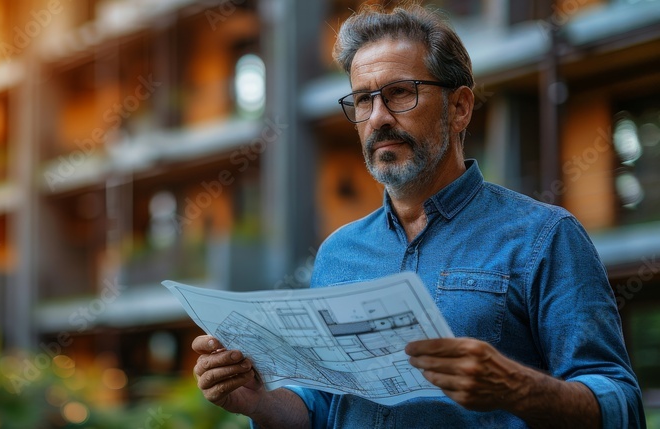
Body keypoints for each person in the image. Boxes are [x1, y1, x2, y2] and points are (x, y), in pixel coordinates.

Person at [191, 4, 646, 428]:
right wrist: (257, 401)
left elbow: (621, 404)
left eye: (400, 93)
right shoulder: (337, 253)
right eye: (363, 100)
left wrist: (517, 388)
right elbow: (322, 409)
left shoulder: (545, 237)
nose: (378, 117)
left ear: (460, 107)